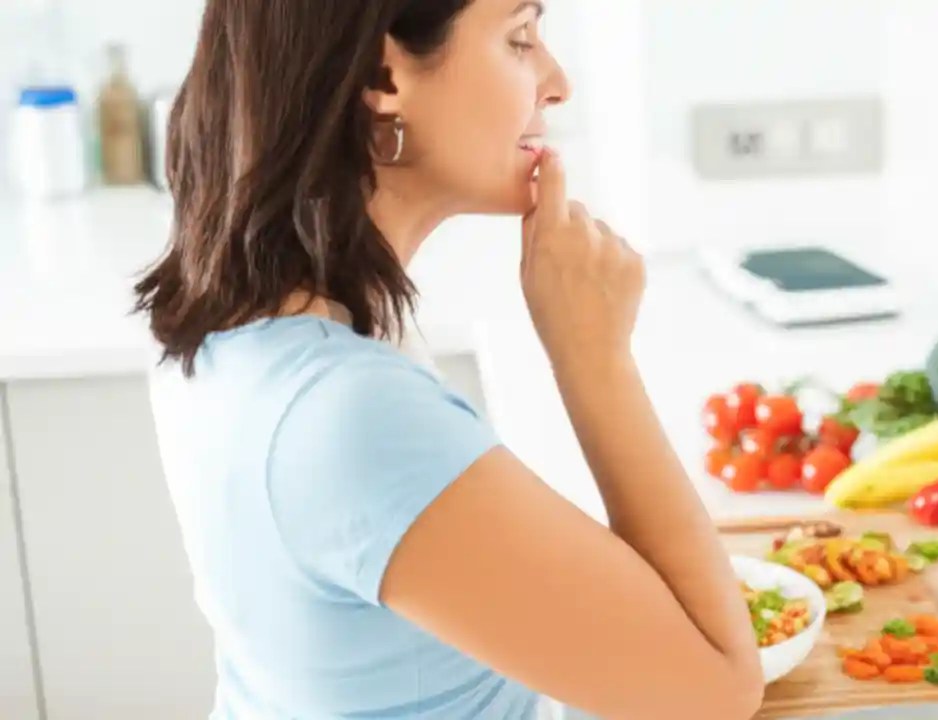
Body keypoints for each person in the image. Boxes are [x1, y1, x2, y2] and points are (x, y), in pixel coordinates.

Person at [134, 1, 765, 718]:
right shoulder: (353, 414)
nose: (557, 83)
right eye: (520, 39)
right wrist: (595, 356)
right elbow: (715, 693)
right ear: (383, 73)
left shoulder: (237, 324)